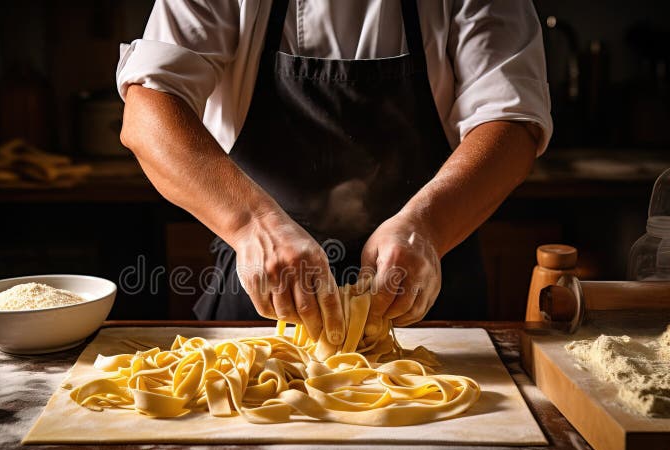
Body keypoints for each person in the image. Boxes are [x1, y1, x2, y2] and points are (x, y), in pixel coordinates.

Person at [118, 0, 552, 345]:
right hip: (261, 314)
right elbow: (148, 110)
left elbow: (511, 125)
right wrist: (254, 224)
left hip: (429, 308)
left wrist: (428, 225)